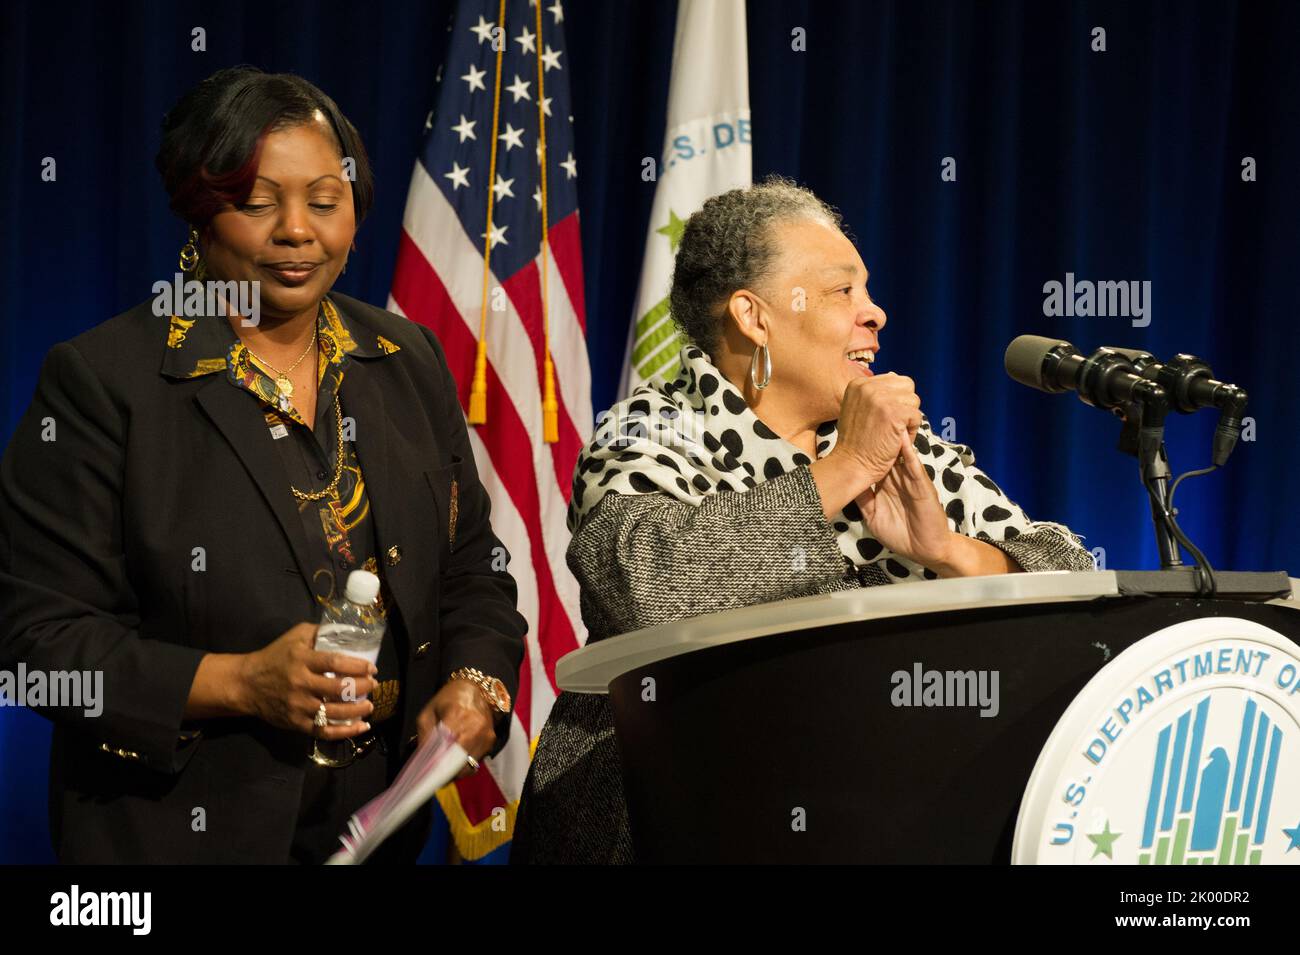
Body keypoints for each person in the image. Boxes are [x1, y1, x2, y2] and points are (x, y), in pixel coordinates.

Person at [0, 66, 526, 863]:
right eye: (256, 203)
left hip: (377, 833)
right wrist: (239, 681)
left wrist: (478, 684)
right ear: (197, 212)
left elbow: (473, 570)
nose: (297, 231)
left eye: (324, 200)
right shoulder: (106, 382)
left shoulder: (404, 356)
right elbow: (37, 643)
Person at [511, 176, 1096, 863]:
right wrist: (840, 470)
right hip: (659, 824)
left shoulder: (907, 448)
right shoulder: (654, 429)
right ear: (754, 316)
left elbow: (1072, 575)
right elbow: (647, 583)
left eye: (868, 292)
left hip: (887, 820)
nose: (874, 314)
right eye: (843, 291)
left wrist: (952, 549)